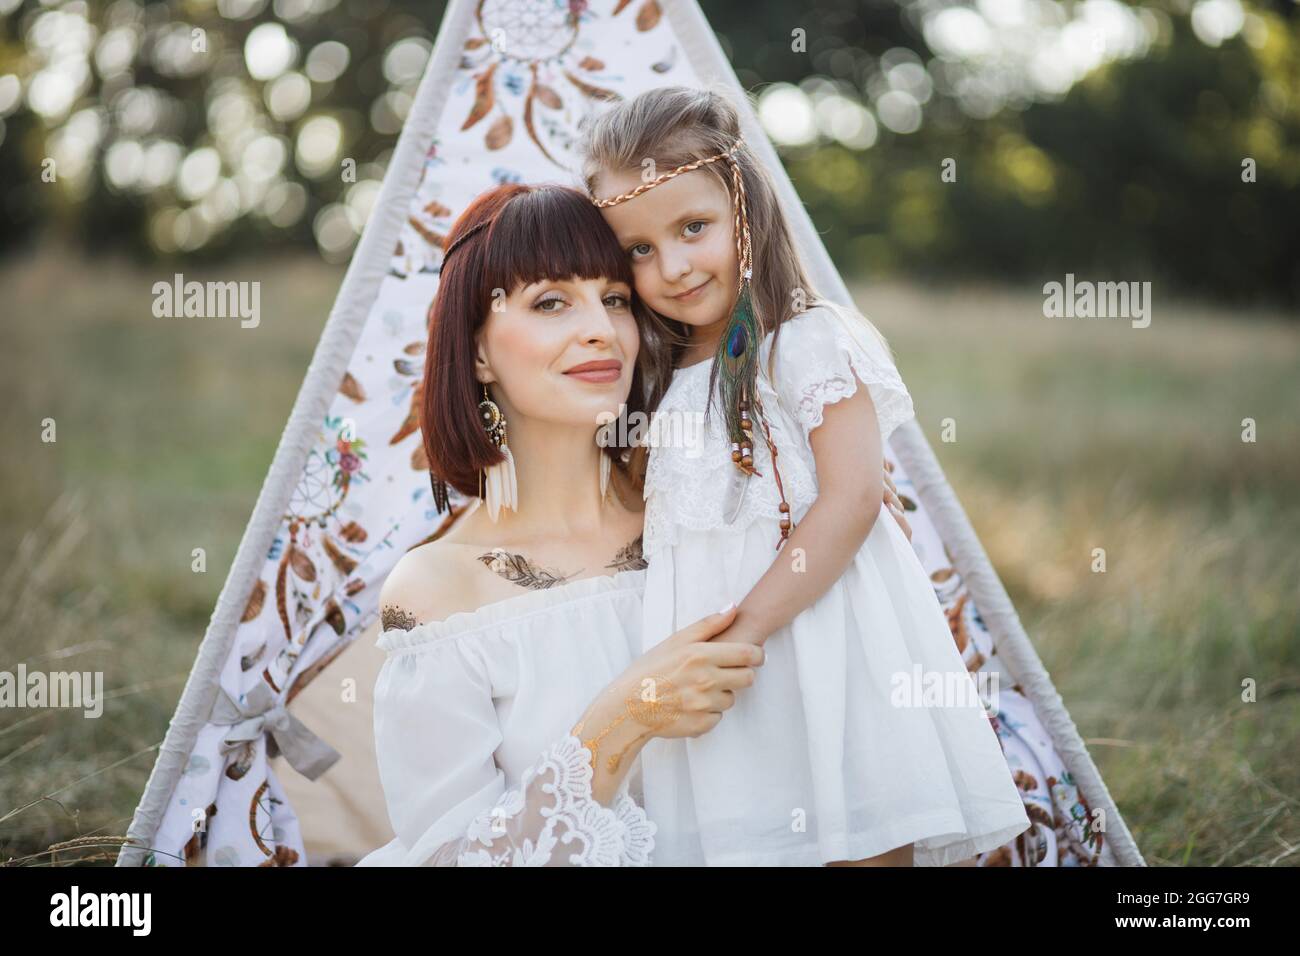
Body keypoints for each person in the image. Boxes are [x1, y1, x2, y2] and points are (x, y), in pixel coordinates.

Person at [357, 182, 912, 866]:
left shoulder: (716, 512)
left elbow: (849, 746)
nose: (600, 329)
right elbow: (452, 858)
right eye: (551, 302)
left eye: (615, 298)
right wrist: (621, 720)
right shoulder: (438, 592)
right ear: (476, 353)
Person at [578, 86, 1031, 866]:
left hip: (818, 636)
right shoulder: (650, 376)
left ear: (746, 211)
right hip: (711, 670)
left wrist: (746, 632)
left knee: (856, 824)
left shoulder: (805, 341)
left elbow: (854, 497)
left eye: (694, 228)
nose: (675, 266)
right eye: (640, 250)